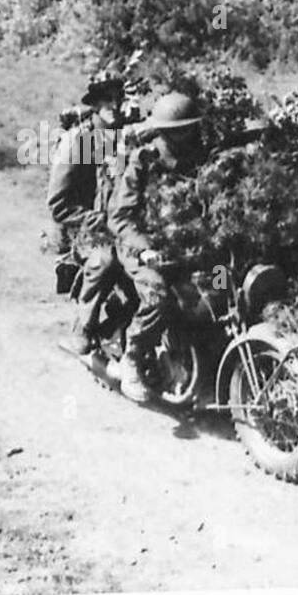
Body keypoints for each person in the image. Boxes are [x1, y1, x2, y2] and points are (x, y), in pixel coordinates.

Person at [106, 91, 205, 402]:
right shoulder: (143, 160)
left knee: (222, 285)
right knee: (159, 294)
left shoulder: (201, 158)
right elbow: (120, 217)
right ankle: (132, 358)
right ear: (163, 130)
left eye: (188, 128)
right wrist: (145, 248)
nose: (183, 136)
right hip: (141, 246)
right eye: (177, 130)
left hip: (185, 246)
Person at [47, 70, 127, 354]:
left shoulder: (123, 136)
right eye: (107, 99)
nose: (115, 105)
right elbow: (58, 204)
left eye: (119, 98)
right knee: (105, 261)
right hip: (84, 229)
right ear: (94, 104)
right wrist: (97, 220)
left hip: (121, 222)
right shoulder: (77, 142)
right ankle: (83, 328)